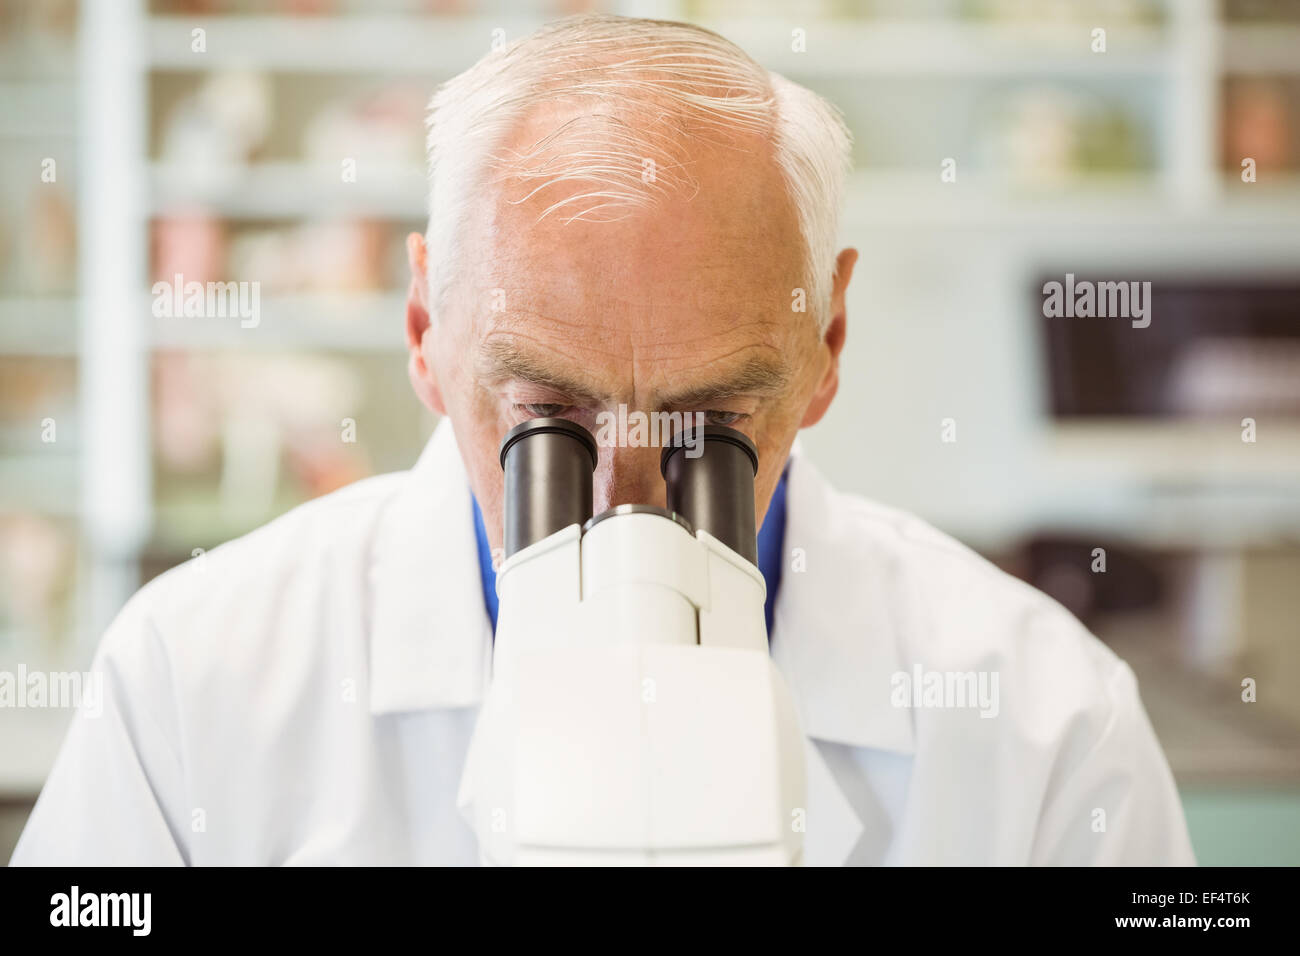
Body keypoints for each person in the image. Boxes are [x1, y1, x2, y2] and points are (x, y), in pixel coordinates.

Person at [12, 14, 1195, 866]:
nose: (628, 512)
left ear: (825, 341)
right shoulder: (191, 681)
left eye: (709, 430)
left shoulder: (1046, 723)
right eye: (546, 425)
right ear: (425, 327)